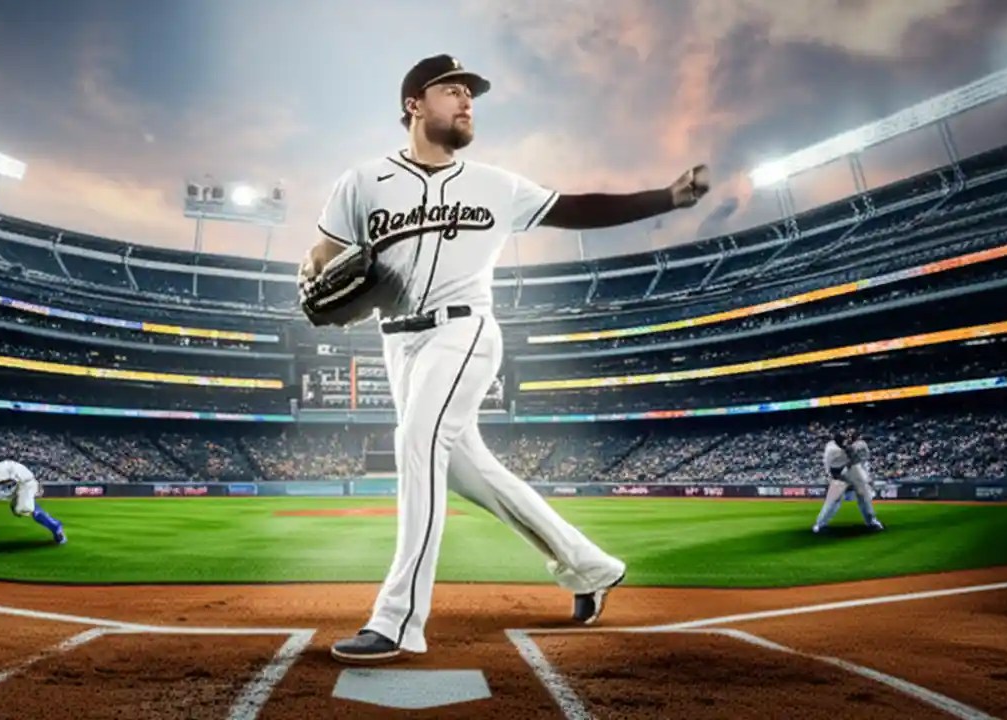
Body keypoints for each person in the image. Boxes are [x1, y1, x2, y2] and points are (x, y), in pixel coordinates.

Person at [300, 54, 711, 665]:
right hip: (399, 344)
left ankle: (399, 618)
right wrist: (308, 277)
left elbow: (578, 207)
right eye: (452, 90)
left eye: (472, 93)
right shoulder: (362, 181)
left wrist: (667, 197)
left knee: (417, 444)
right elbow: (322, 257)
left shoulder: (496, 184)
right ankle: (591, 567)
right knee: (472, 473)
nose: (467, 101)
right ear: (414, 103)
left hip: (463, 333)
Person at [0, 460, 67, 548]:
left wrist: (33, 489)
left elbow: (29, 480)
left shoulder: (8, 468)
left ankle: (56, 528)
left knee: (24, 509)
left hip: (20, 486)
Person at [812, 430, 885, 533]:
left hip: (853, 471)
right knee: (833, 500)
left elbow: (860, 457)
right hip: (838, 474)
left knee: (864, 496)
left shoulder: (855, 445)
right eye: (844, 440)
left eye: (848, 439)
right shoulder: (832, 450)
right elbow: (847, 457)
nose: (847, 441)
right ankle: (820, 524)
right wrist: (854, 447)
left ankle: (872, 521)